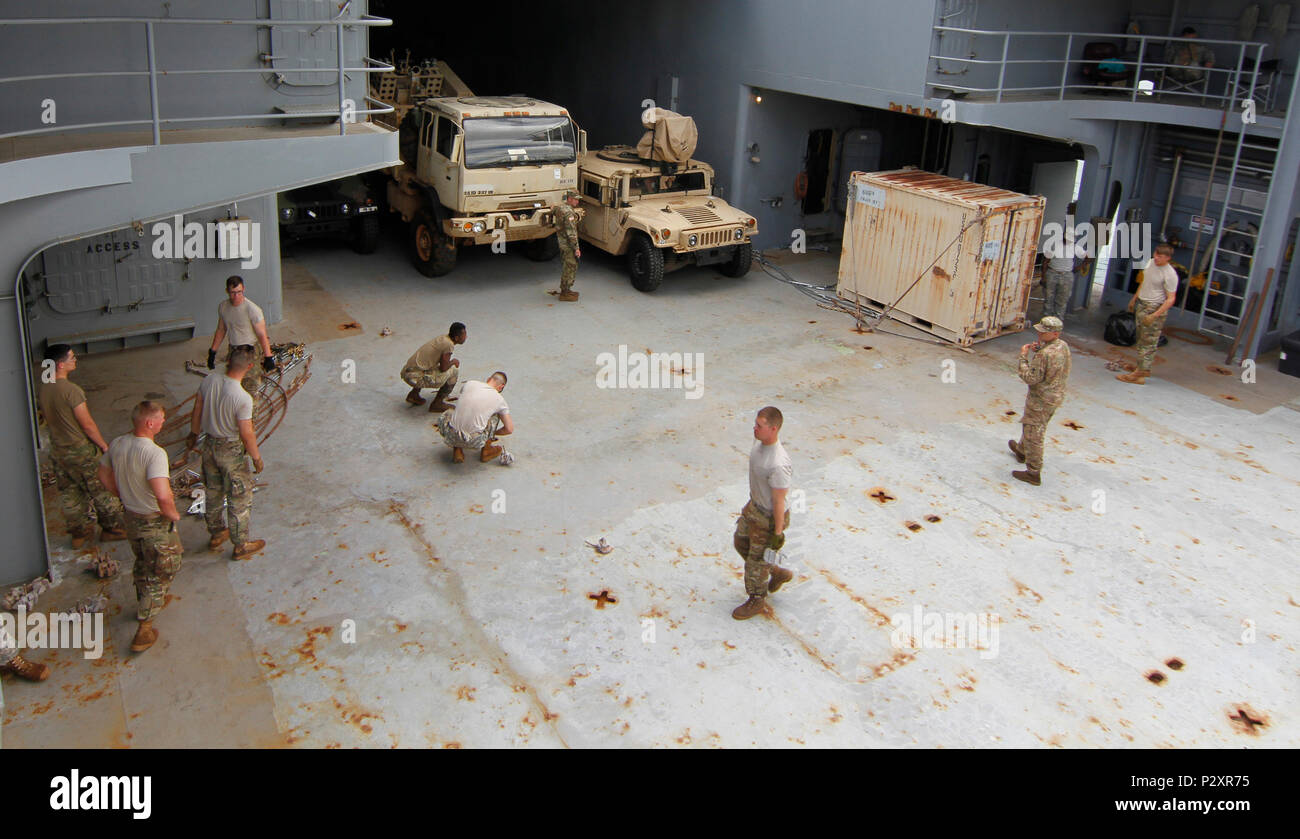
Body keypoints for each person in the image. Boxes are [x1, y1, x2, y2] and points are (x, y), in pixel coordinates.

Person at [98, 401, 184, 653]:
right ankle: (144, 626)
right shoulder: (155, 453)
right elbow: (162, 494)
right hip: (152, 520)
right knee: (165, 565)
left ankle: (148, 600)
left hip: (131, 518)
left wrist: (122, 495)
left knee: (144, 561)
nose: (163, 422)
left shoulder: (118, 443)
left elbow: (102, 474)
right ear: (149, 423)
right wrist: (172, 515)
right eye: (161, 419)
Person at [37, 344, 127, 547]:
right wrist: (104, 446)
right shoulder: (71, 391)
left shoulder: (44, 388)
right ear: (60, 364)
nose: (75, 360)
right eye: (71, 358)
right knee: (103, 489)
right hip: (80, 450)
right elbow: (87, 425)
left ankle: (78, 535)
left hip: (59, 451)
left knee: (70, 494)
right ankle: (112, 529)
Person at [188, 346, 266, 560]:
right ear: (249, 367)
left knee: (212, 492)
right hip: (230, 451)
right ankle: (240, 544)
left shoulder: (209, 380)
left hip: (209, 446)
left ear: (228, 361)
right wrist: (256, 457)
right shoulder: (242, 398)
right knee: (239, 497)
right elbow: (246, 433)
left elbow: (197, 408)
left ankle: (216, 532)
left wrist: (193, 434)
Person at [732, 406, 794, 620]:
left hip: (769, 517)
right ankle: (774, 572)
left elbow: (778, 500)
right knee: (740, 542)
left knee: (755, 562)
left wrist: (777, 533)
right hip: (754, 507)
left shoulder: (778, 464)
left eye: (760, 426)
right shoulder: (759, 445)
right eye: (755, 424)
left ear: (774, 429)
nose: (755, 428)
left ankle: (757, 598)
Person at [1008, 316, 1072, 486]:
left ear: (1055, 333)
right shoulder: (1062, 346)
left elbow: (1030, 378)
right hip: (1055, 396)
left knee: (1034, 432)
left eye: (1044, 332)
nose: (1039, 333)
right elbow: (1054, 363)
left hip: (1041, 399)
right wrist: (1039, 350)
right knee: (1031, 425)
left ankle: (1033, 472)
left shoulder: (1044, 355)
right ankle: (1022, 450)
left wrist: (1023, 357)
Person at [207, 275, 276, 399]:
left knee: (250, 387)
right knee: (232, 385)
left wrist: (268, 356)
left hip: (250, 351)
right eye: (233, 293)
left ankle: (251, 416)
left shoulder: (252, 309)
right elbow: (221, 330)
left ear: (243, 289)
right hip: (234, 350)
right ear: (227, 291)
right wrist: (213, 352)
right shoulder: (223, 307)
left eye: (239, 292)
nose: (236, 296)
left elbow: (262, 334)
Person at [1118, 243, 1178, 384]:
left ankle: (1139, 376)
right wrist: (1134, 299)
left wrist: (1154, 315)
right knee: (1141, 338)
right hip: (1142, 304)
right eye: (1155, 254)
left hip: (1154, 307)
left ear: (1168, 258)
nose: (1156, 258)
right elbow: (1144, 282)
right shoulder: (1151, 263)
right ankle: (1142, 368)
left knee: (1149, 342)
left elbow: (1171, 299)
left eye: (1160, 256)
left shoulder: (1170, 275)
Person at [436, 372, 513, 463]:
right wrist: (493, 433)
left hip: (451, 435)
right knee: (495, 415)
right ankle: (486, 451)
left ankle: (457, 449)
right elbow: (509, 429)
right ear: (501, 387)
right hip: (474, 440)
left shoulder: (470, 383)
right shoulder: (500, 400)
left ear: (488, 379)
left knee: (452, 413)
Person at [401, 322, 466, 413]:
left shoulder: (443, 338)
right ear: (456, 338)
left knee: (430, 365)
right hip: (414, 377)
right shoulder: (449, 345)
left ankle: (414, 394)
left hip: (408, 371)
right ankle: (437, 403)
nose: (466, 337)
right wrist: (453, 362)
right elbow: (444, 368)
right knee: (453, 371)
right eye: (464, 335)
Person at [1042, 204, 1078, 321]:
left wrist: (1080, 267)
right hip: (1053, 273)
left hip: (1066, 275)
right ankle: (1047, 321)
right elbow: (1045, 261)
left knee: (1062, 301)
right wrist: (1044, 277)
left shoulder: (1075, 247)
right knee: (1049, 299)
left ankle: (1057, 322)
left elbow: (1088, 257)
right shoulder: (1054, 244)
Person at [553, 191, 583, 302]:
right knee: (571, 267)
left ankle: (566, 290)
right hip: (568, 245)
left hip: (562, 242)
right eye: (575, 199)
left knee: (567, 265)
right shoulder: (569, 214)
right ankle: (565, 292)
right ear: (569, 199)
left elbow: (553, 210)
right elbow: (571, 233)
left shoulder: (561, 208)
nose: (577, 201)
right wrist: (576, 249)